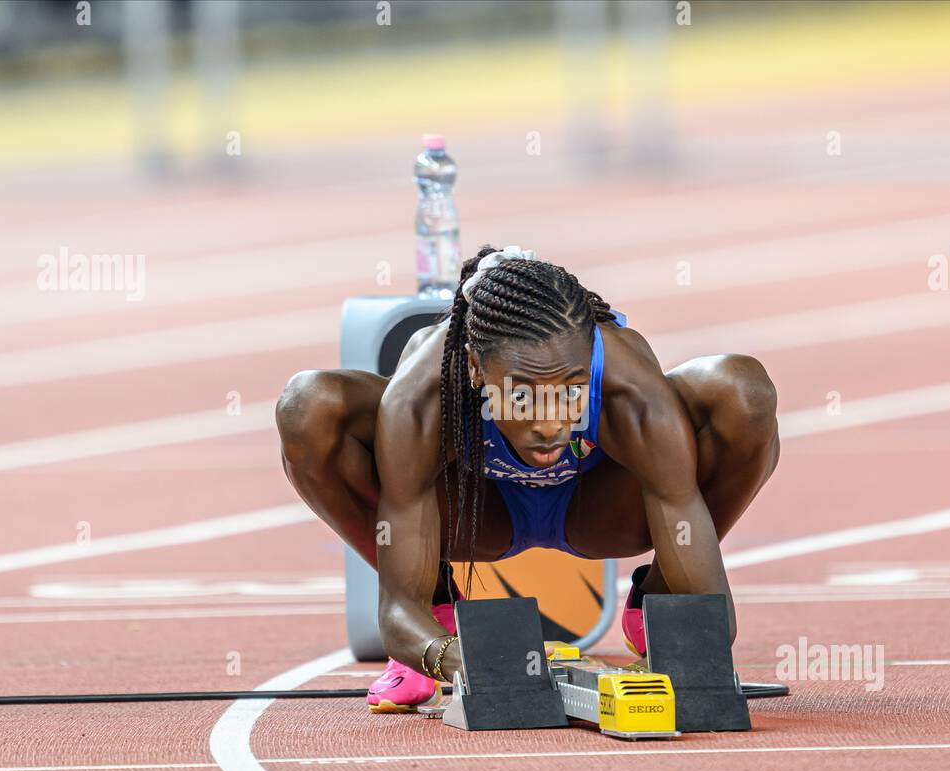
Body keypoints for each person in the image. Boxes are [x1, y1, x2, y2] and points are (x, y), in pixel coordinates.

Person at [277, 244, 779, 711]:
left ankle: (659, 602)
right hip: (475, 516)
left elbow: (717, 618)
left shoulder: (630, 389)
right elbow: (395, 613)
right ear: (475, 367)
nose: (551, 421)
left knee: (744, 392)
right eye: (522, 394)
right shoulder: (424, 398)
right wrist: (455, 656)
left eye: (573, 388)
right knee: (308, 407)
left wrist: (692, 644)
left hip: (598, 510)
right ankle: (441, 606)